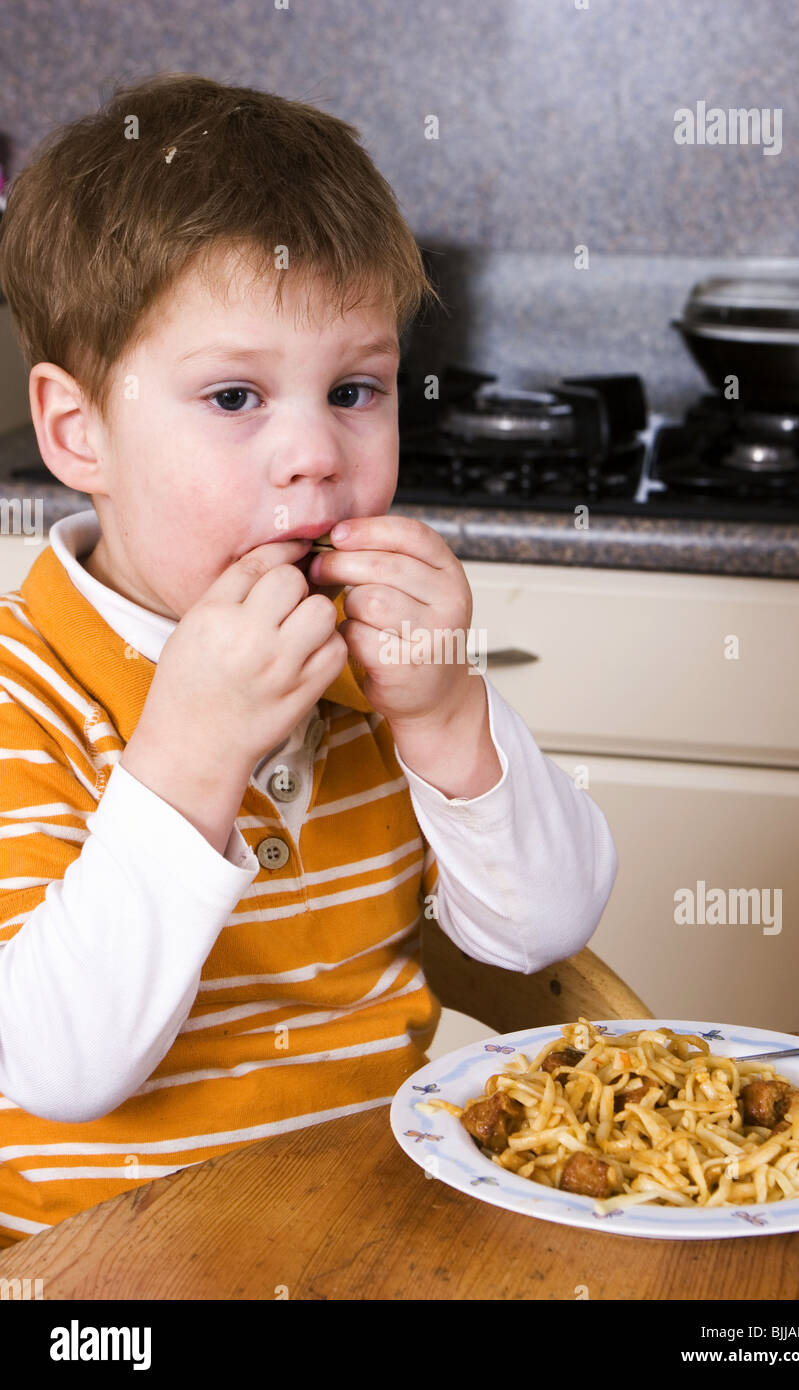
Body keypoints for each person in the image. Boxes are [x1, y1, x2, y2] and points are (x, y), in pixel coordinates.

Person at [0, 73, 617, 1247]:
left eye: (353, 390)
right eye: (234, 395)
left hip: (378, 1240)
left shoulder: (372, 659)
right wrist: (184, 760)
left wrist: (442, 712)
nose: (312, 455)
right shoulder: (23, 692)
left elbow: (540, 930)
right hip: (95, 1276)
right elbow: (58, 1067)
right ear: (79, 431)